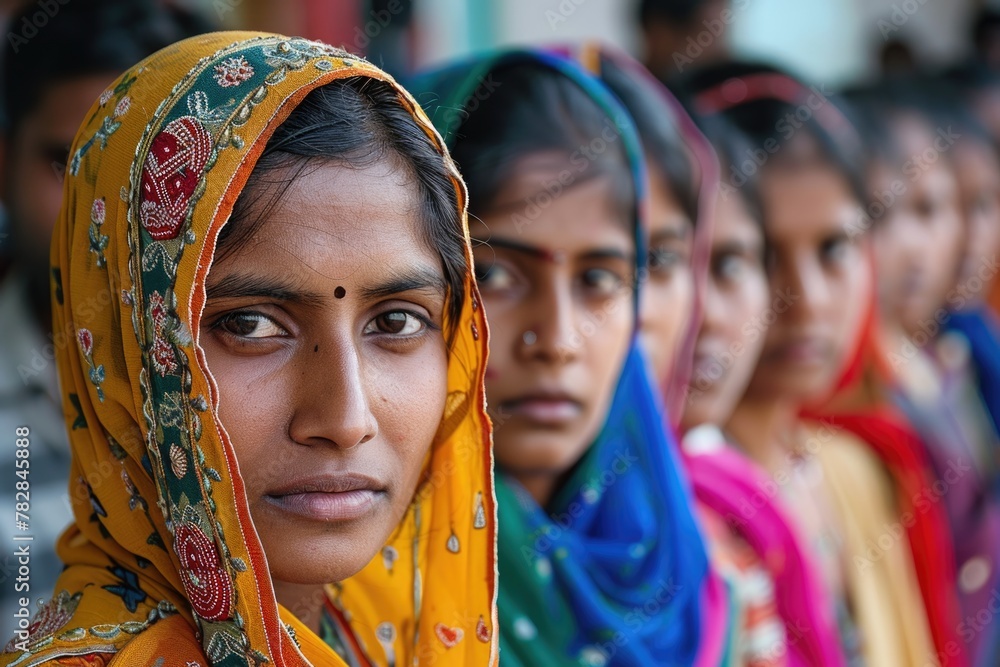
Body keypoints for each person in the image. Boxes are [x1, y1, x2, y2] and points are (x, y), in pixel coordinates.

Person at [1, 32, 497, 666]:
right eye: (251, 326)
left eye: (396, 321)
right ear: (127, 354)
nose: (345, 420)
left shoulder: (385, 631)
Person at [412, 50, 710, 666]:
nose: (558, 339)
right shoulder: (359, 598)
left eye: (599, 279)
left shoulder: (689, 566)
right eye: (493, 275)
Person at [687, 63, 943, 666]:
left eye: (833, 249)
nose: (806, 300)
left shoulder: (855, 472)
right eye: (763, 256)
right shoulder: (686, 516)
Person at [0, 0, 214, 641]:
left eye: (145, 173)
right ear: (3, 161)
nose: (101, 213)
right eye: (69, 165)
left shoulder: (262, 389)